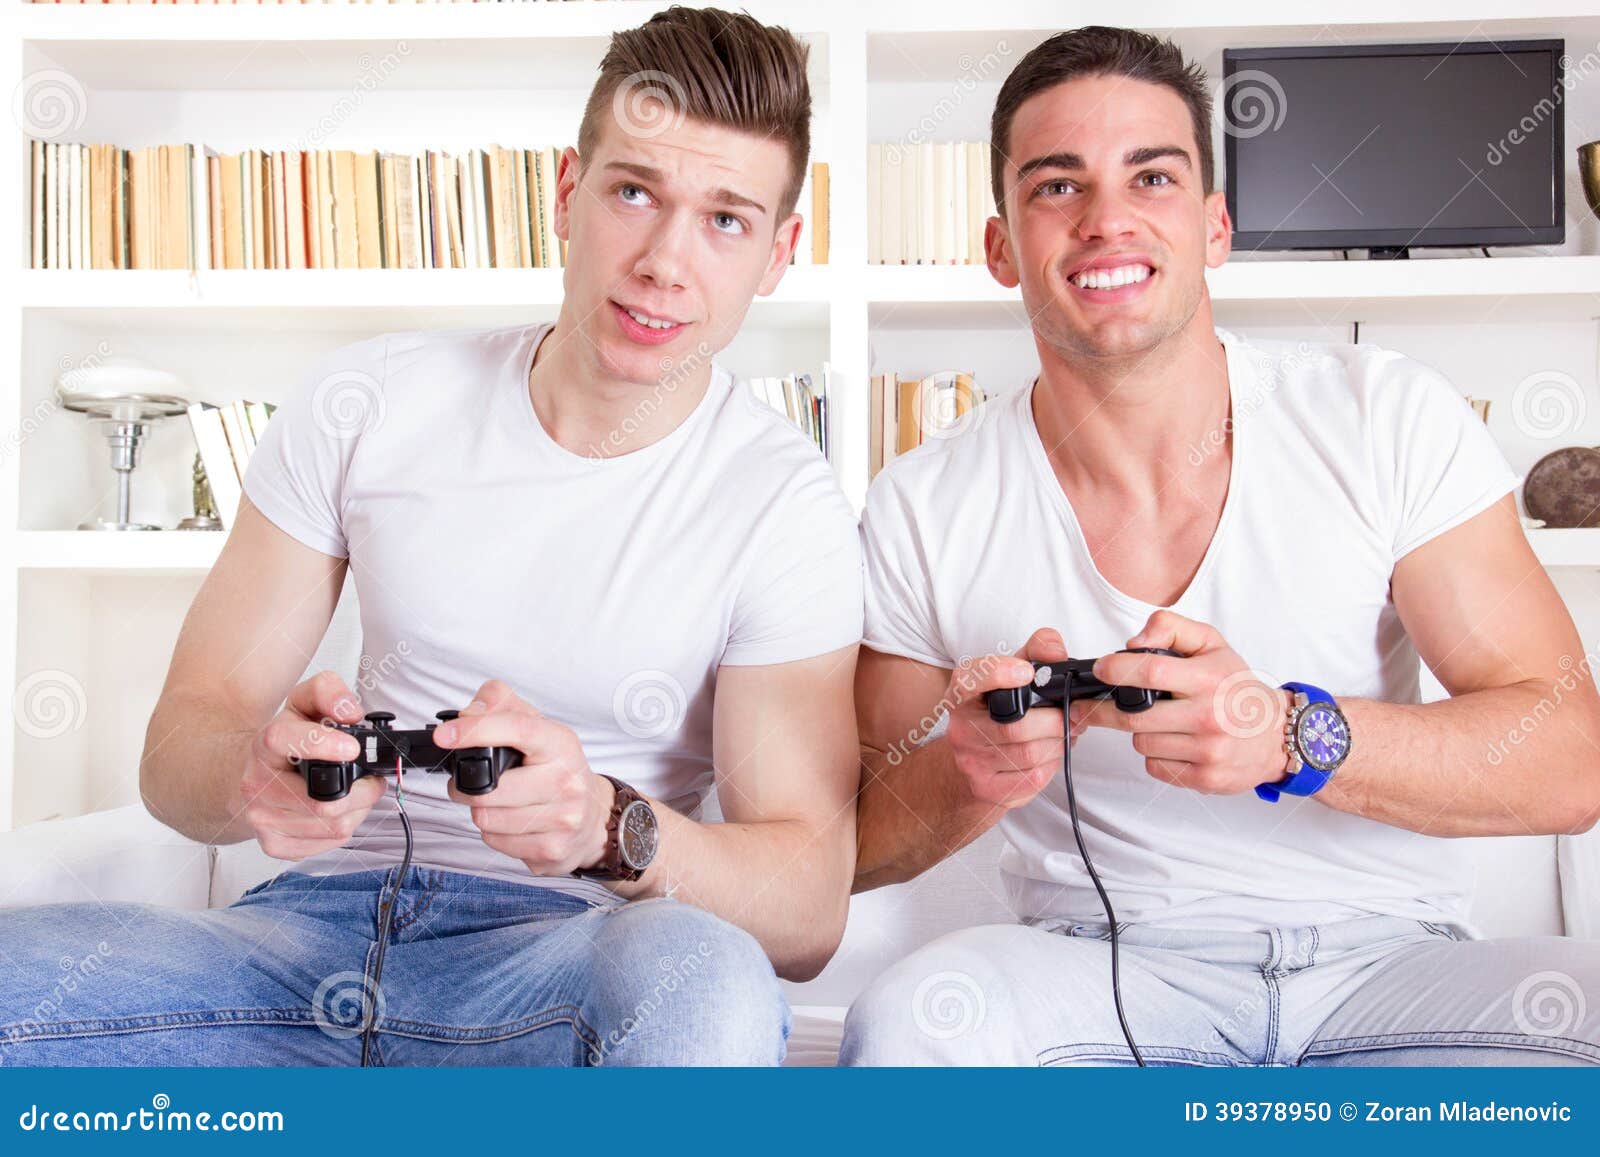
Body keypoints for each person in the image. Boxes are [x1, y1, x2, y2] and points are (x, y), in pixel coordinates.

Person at [0, 6, 861, 1067]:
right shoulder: (370, 398)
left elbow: (810, 906)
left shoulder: (783, 501)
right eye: (634, 192)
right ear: (564, 193)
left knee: (708, 981)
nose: (664, 263)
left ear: (779, 254)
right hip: (298, 943)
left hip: (564, 962)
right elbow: (183, 744)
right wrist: (253, 775)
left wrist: (605, 825)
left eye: (725, 220)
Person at [844, 25, 1600, 1066]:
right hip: (1096, 972)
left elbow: (1568, 760)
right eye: (1057, 187)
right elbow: (853, 834)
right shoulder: (921, 503)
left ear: (1213, 227)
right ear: (999, 245)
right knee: (913, 1023)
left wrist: (1290, 734)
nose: (1107, 221)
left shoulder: (1381, 414)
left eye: (1149, 177)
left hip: (1387, 966)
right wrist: (970, 772)